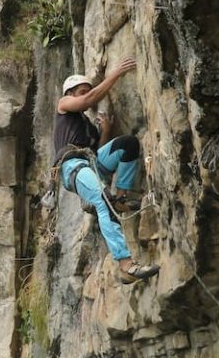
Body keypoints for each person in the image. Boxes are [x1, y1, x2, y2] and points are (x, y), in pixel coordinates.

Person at [53, 58, 160, 284]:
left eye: (86, 91)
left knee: (128, 145)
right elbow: (88, 100)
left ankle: (120, 198)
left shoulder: (86, 125)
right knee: (103, 200)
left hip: (91, 162)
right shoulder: (63, 105)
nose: (87, 95)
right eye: (81, 91)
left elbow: (97, 151)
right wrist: (115, 74)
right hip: (72, 166)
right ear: (70, 93)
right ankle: (125, 265)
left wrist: (105, 131)